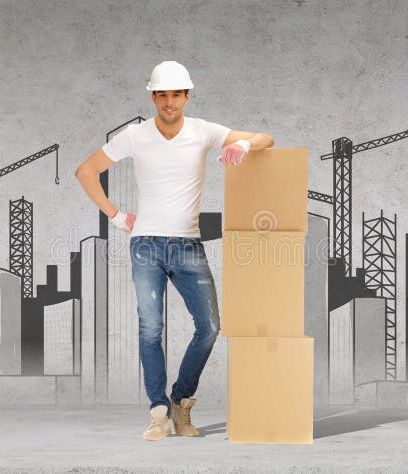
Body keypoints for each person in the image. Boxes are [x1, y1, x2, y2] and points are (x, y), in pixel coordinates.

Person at [74, 60, 274, 441]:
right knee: (151, 329)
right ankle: (158, 413)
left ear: (187, 96)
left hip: (188, 245)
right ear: (152, 97)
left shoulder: (204, 132)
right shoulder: (135, 135)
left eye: (176, 95)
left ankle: (181, 401)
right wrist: (116, 216)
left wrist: (243, 145)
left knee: (210, 327)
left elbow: (267, 138)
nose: (169, 102)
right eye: (162, 95)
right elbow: (86, 171)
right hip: (146, 245)